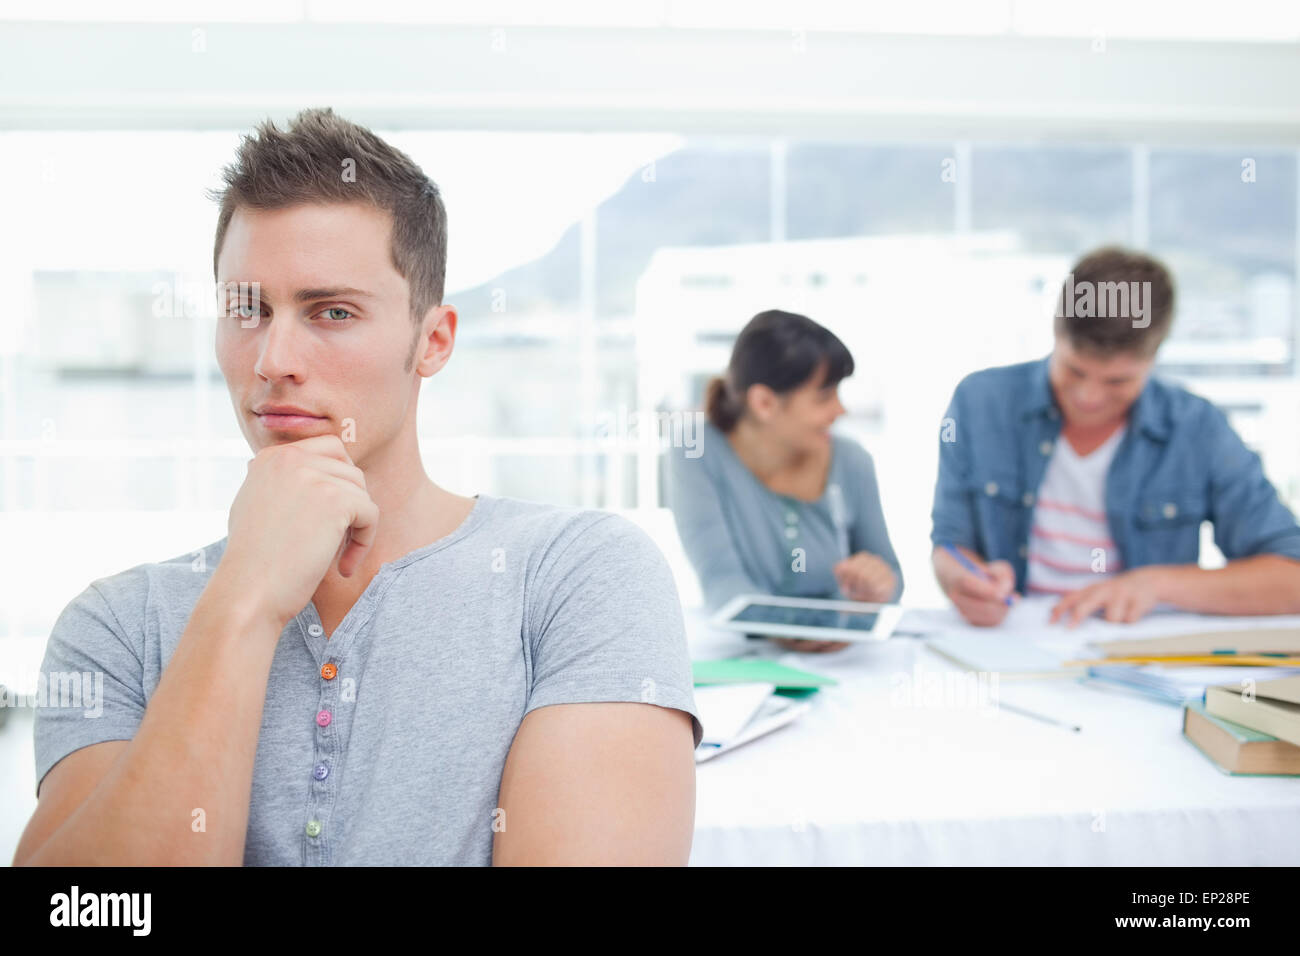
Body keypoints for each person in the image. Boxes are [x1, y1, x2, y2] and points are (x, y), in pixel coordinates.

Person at [16, 107, 702, 867]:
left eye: (331, 312)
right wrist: (245, 597)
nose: (273, 358)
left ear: (432, 341)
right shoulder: (116, 626)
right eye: (247, 309)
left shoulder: (579, 576)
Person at [930, 246, 1300, 628]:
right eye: (1073, 371)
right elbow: (949, 545)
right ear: (1057, 332)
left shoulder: (1197, 428)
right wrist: (965, 581)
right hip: (1013, 645)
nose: (1089, 397)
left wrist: (1156, 585)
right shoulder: (980, 402)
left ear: (1154, 357)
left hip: (1140, 658)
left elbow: (1292, 578)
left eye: (1118, 381)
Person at [667, 309, 903, 653]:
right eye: (823, 397)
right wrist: (803, 626)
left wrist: (878, 589)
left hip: (848, 661)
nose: (841, 410)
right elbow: (722, 581)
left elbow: (891, 579)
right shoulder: (697, 452)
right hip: (749, 657)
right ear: (764, 402)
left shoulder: (853, 461)